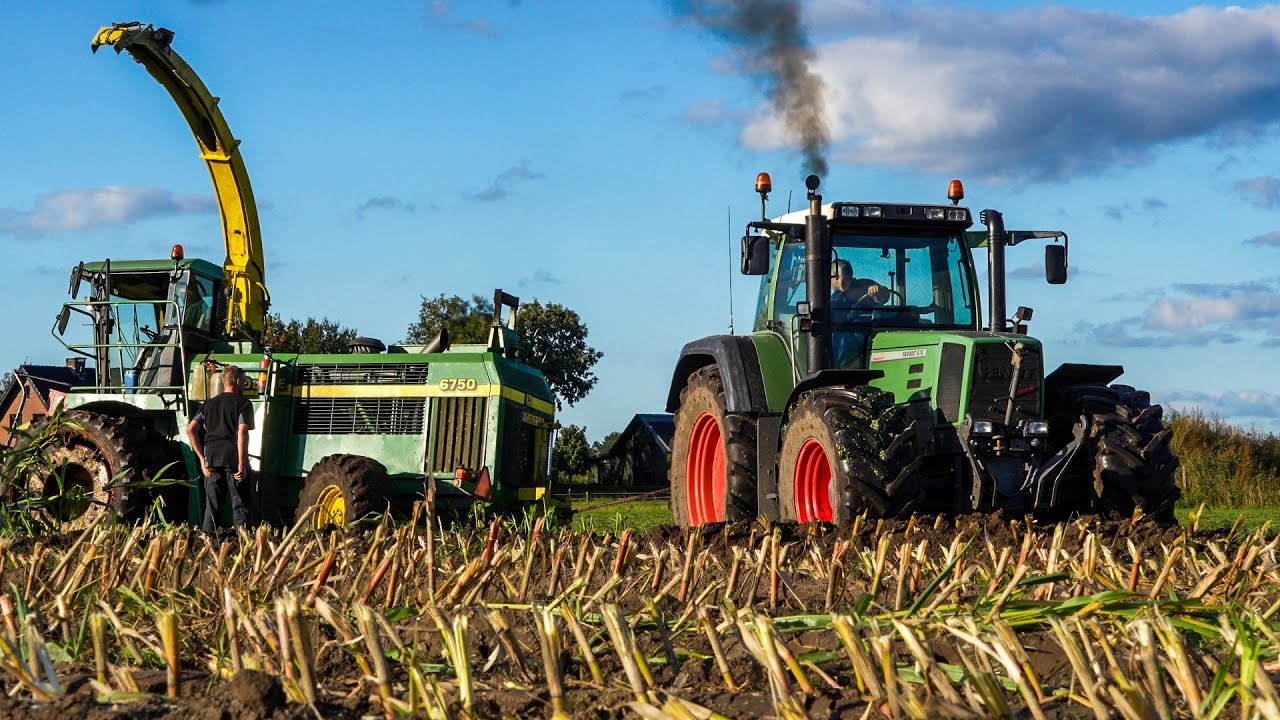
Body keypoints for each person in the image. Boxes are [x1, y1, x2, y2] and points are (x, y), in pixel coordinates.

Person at [187, 365, 253, 532]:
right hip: (233, 459)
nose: (244, 384)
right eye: (244, 381)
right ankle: (243, 547)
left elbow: (191, 430)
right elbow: (242, 433)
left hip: (211, 459)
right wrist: (242, 464)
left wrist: (202, 459)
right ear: (237, 381)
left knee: (212, 508)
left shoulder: (207, 404)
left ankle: (207, 546)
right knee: (240, 506)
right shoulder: (244, 404)